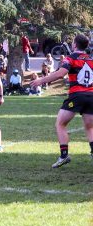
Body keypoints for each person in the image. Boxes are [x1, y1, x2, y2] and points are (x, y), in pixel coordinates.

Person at [30, 34, 93, 168]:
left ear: (74, 45)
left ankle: (64, 156)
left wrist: (41, 80)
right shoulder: (91, 59)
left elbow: (60, 74)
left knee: (60, 124)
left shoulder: (71, 58)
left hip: (77, 95)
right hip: (91, 96)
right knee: (90, 127)